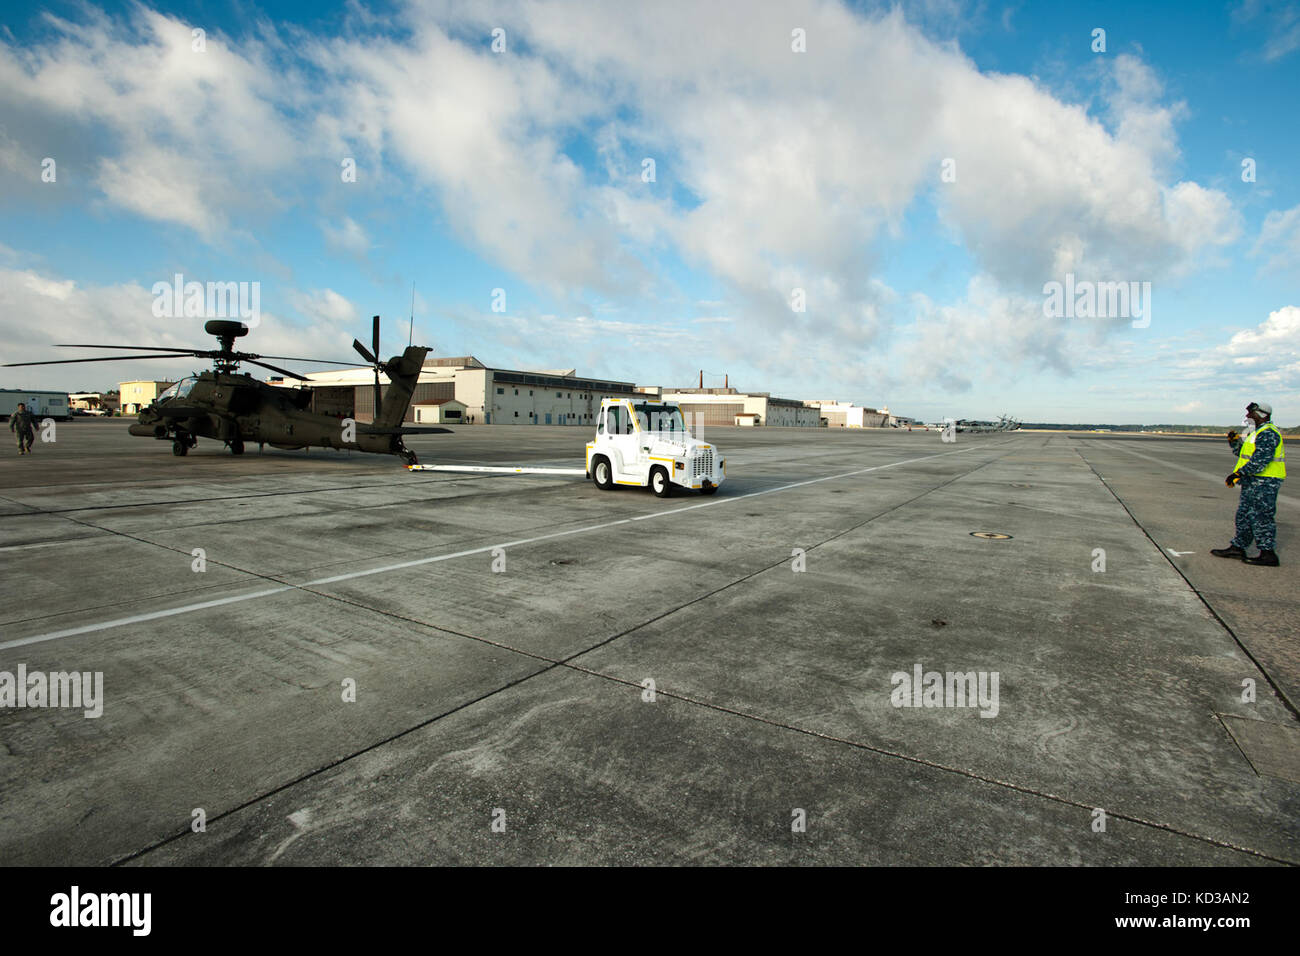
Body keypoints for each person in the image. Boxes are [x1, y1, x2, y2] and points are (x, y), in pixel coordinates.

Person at [1211, 401, 1286, 566]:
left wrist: (1238, 474)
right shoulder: (1257, 433)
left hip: (1265, 482)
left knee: (1261, 517)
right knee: (1244, 515)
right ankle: (1238, 547)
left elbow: (1261, 461)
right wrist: (1235, 442)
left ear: (1261, 414)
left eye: (1251, 414)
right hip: (1252, 482)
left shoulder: (1268, 433)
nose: (1247, 416)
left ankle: (1268, 554)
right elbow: (1244, 455)